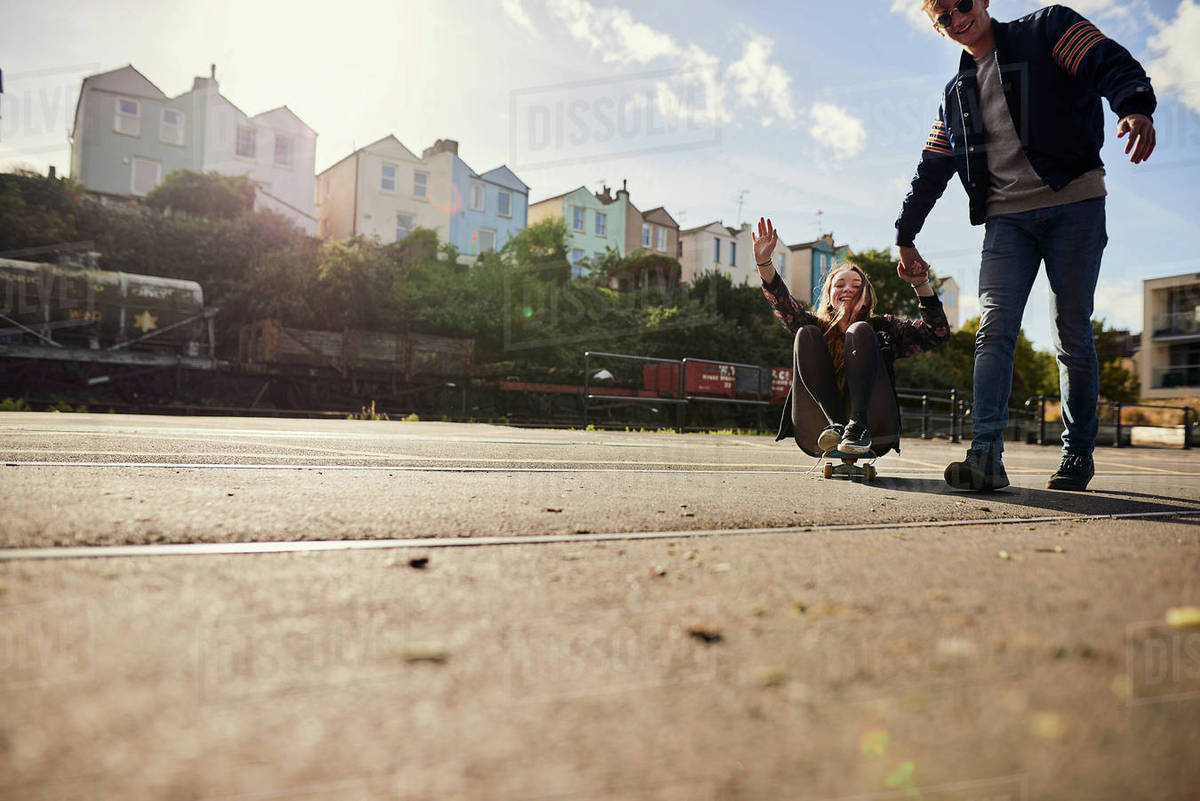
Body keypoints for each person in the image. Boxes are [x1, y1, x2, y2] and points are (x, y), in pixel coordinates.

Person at [894, 0, 1157, 491]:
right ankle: (985, 456)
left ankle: (1077, 454)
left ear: (984, 0)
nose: (958, 18)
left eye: (962, 4)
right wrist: (905, 234)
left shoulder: (1049, 29)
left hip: (1074, 202)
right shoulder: (955, 95)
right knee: (993, 331)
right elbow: (930, 170)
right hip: (1006, 221)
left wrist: (1135, 106)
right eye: (944, 17)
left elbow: (1108, 60)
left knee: (1071, 333)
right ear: (938, 28)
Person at [753, 217, 950, 458]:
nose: (848, 289)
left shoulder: (884, 328)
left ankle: (858, 426)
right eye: (840, 285)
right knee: (806, 333)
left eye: (857, 285)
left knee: (860, 331)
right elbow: (784, 305)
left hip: (877, 429)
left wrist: (920, 284)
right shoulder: (814, 326)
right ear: (829, 295)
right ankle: (838, 426)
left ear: (867, 297)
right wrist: (764, 264)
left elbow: (935, 333)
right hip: (817, 429)